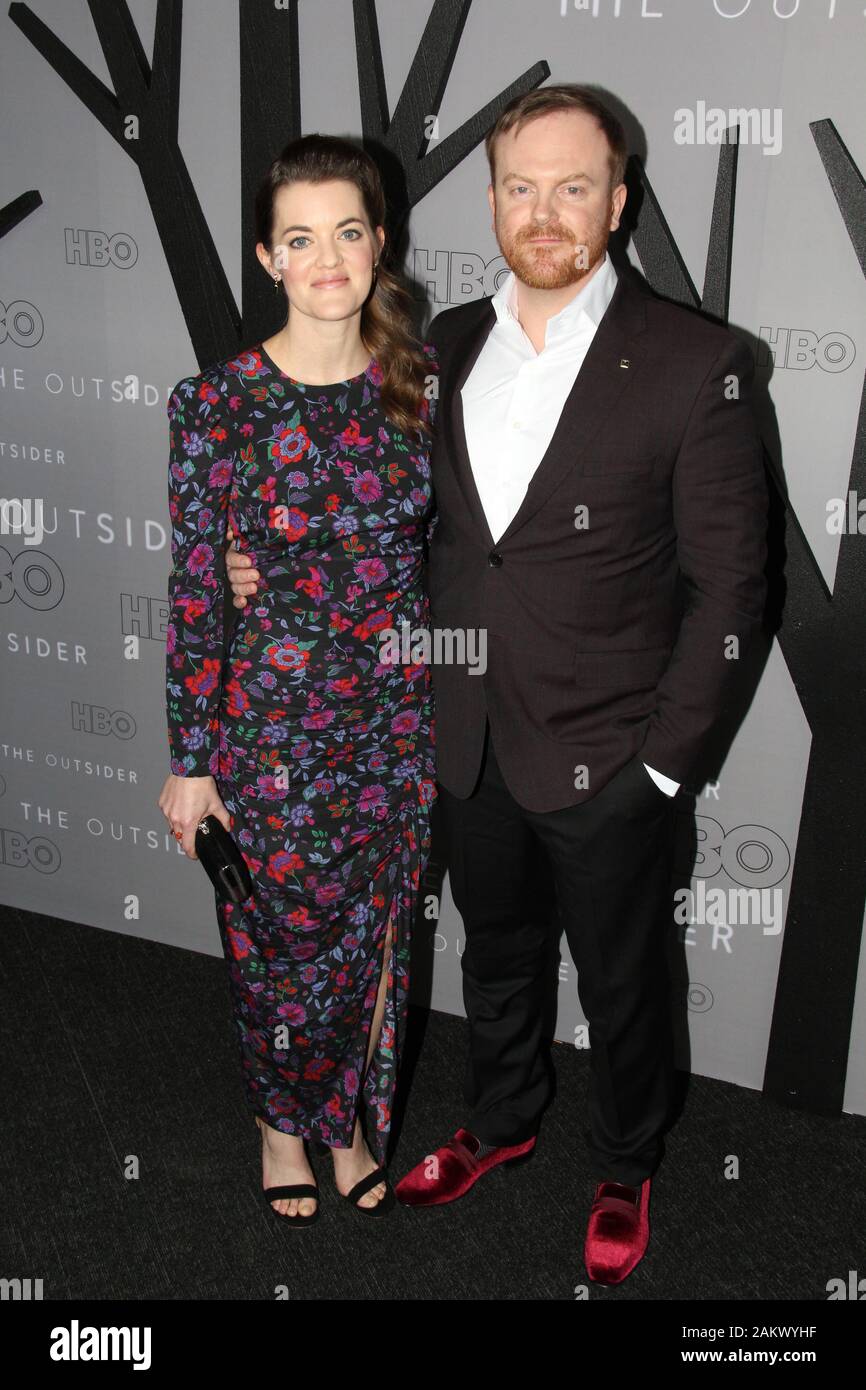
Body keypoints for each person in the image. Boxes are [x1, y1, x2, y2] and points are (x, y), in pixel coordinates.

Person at [225, 85, 768, 1282]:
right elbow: (388, 526)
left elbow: (731, 592)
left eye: (572, 185)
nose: (543, 210)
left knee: (626, 980)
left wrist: (664, 765)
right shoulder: (437, 346)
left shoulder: (697, 361)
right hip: (460, 734)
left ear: (616, 202)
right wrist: (263, 561)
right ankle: (503, 1119)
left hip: (614, 753)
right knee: (495, 955)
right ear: (490, 198)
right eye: (519, 185)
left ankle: (625, 1162)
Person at [157, 133, 437, 1224]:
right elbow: (190, 587)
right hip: (264, 726)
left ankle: (351, 1123)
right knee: (273, 942)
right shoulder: (214, 404)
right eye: (300, 237)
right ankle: (282, 1126)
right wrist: (190, 759)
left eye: (349, 231)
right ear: (268, 258)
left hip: (390, 722)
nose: (328, 258)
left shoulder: (420, 385)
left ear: (379, 244)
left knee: (370, 936)